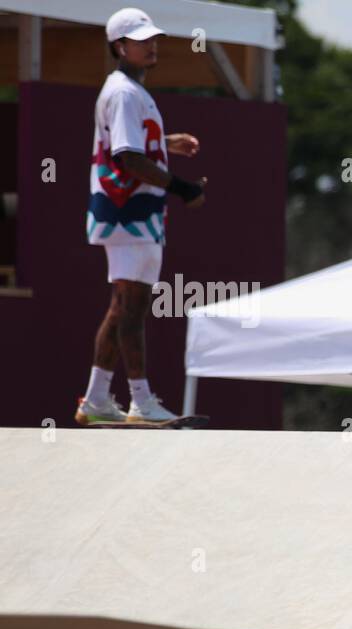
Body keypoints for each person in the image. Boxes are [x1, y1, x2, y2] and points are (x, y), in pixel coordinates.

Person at [77, 7, 207, 426]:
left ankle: (98, 399)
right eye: (141, 40)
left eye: (153, 38)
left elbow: (131, 143)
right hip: (127, 214)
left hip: (135, 215)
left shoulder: (127, 91)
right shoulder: (124, 92)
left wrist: (168, 143)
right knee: (131, 308)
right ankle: (141, 402)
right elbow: (128, 157)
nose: (152, 45)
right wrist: (182, 187)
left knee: (123, 308)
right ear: (120, 46)